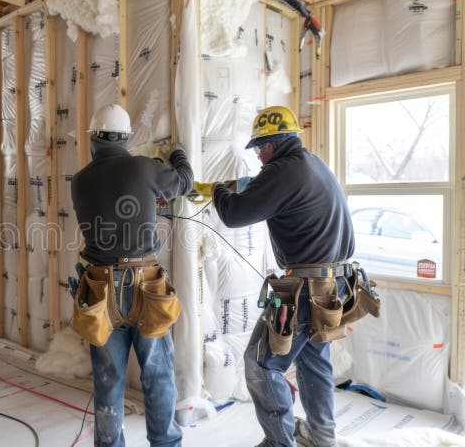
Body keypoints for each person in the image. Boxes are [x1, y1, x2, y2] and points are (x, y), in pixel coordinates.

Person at [210, 106, 355, 447]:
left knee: (260, 365)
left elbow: (233, 214)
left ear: (272, 145)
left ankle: (280, 442)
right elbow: (265, 187)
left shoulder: (281, 171)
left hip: (305, 288)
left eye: (259, 148)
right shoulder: (311, 164)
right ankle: (322, 437)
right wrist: (242, 185)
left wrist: (216, 189)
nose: (258, 156)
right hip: (335, 283)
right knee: (313, 360)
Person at [70, 104, 193, 447]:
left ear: (94, 139)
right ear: (125, 140)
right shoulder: (145, 168)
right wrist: (176, 154)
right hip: (146, 286)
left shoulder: (79, 181)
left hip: (99, 291)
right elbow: (185, 182)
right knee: (158, 375)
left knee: (108, 380)